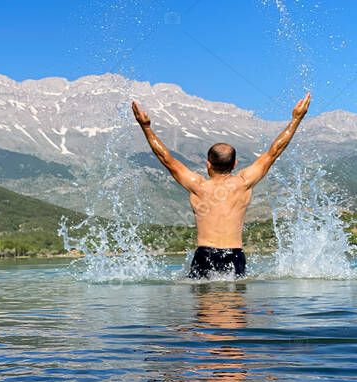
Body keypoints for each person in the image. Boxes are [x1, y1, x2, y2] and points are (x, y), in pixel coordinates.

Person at [132, 93, 311, 279]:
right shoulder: (243, 183)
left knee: (205, 306)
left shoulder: (198, 186)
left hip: (204, 255)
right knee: (233, 306)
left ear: (208, 164)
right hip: (234, 255)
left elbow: (166, 159)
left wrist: (145, 127)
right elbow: (274, 152)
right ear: (235, 164)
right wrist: (296, 119)